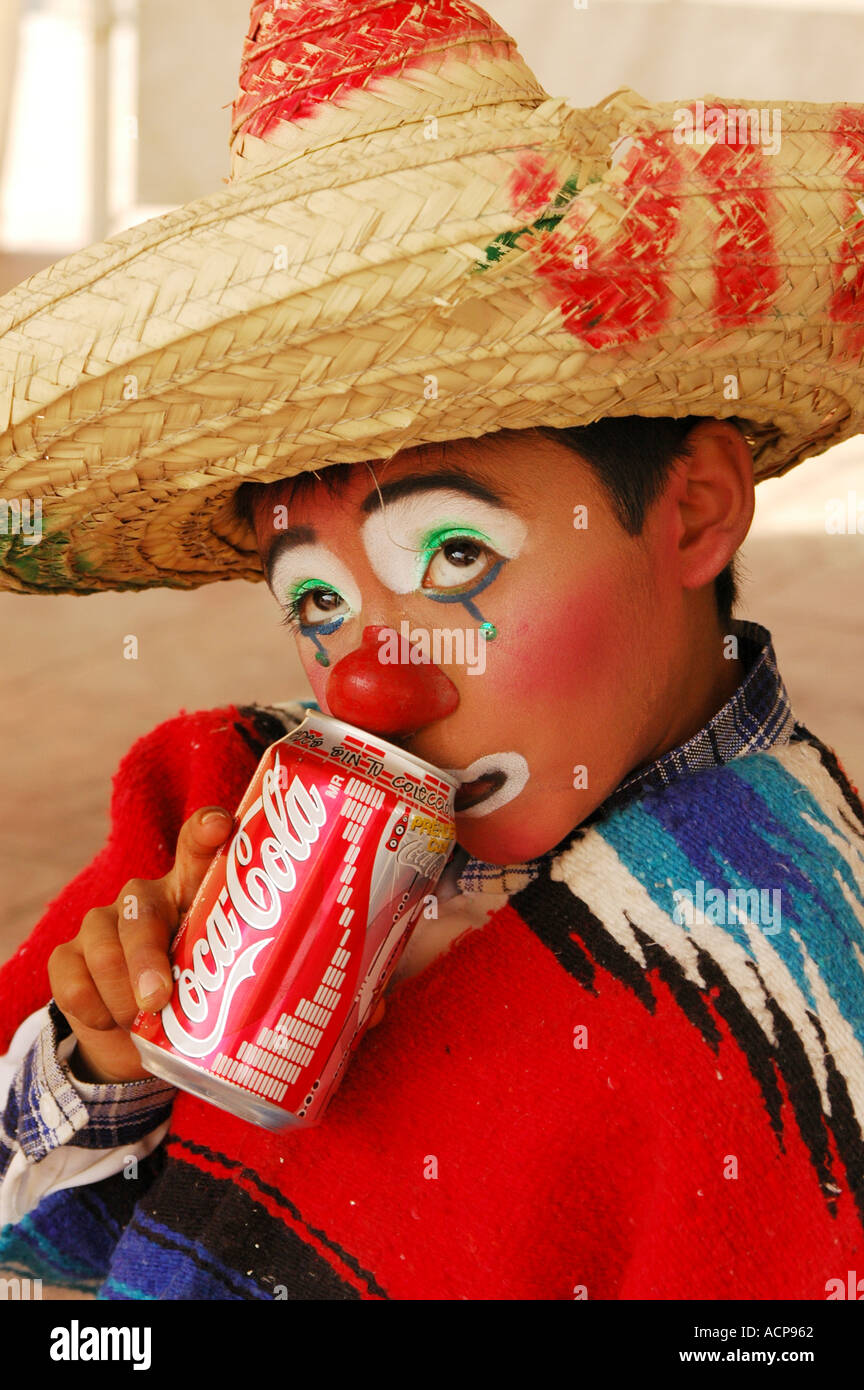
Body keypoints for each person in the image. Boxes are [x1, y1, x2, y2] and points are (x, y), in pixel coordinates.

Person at [0, 0, 863, 1301]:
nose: (362, 682)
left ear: (691, 508)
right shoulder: (214, 803)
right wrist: (97, 1058)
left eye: (455, 558)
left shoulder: (798, 968)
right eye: (316, 603)